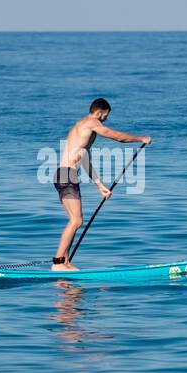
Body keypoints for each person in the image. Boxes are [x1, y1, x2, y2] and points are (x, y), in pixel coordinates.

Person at [51, 98, 151, 270]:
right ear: (100, 112)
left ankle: (65, 262)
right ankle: (58, 262)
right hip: (66, 175)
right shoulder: (91, 123)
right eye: (106, 115)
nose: (106, 119)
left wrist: (99, 185)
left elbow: (84, 159)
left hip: (64, 174)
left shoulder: (82, 127)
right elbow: (118, 137)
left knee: (75, 221)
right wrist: (140, 138)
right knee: (76, 220)